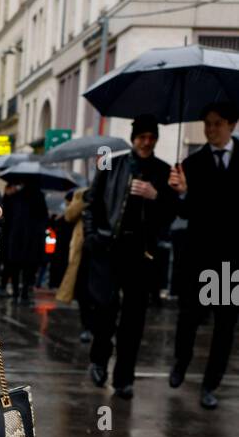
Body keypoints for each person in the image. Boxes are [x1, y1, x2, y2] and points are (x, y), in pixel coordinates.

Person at [83, 114, 176, 398]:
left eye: (151, 138)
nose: (147, 142)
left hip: (142, 253)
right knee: (105, 310)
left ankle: (124, 378)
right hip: (110, 248)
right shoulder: (114, 163)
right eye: (142, 137)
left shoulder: (163, 171)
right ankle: (98, 360)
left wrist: (156, 195)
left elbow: (171, 215)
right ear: (134, 138)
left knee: (134, 319)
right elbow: (92, 202)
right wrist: (92, 236)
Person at [168, 102, 239, 409]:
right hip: (199, 256)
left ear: (232, 125)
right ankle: (181, 362)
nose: (211, 129)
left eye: (218, 123)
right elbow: (183, 212)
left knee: (224, 324)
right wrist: (182, 192)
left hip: (230, 261)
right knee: (190, 318)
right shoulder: (192, 164)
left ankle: (211, 384)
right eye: (207, 123)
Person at [54, 185, 94, 340]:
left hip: (105, 247)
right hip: (84, 249)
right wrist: (84, 200)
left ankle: (99, 327)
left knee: (101, 293)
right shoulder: (81, 194)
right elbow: (69, 216)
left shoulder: (114, 190)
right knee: (84, 291)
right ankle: (87, 326)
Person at [0, 176, 48, 302]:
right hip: (32, 239)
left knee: (14, 265)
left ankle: (16, 292)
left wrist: (7, 196)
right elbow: (44, 218)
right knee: (29, 266)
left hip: (16, 236)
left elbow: (6, 214)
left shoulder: (16, 196)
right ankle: (25, 292)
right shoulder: (40, 197)